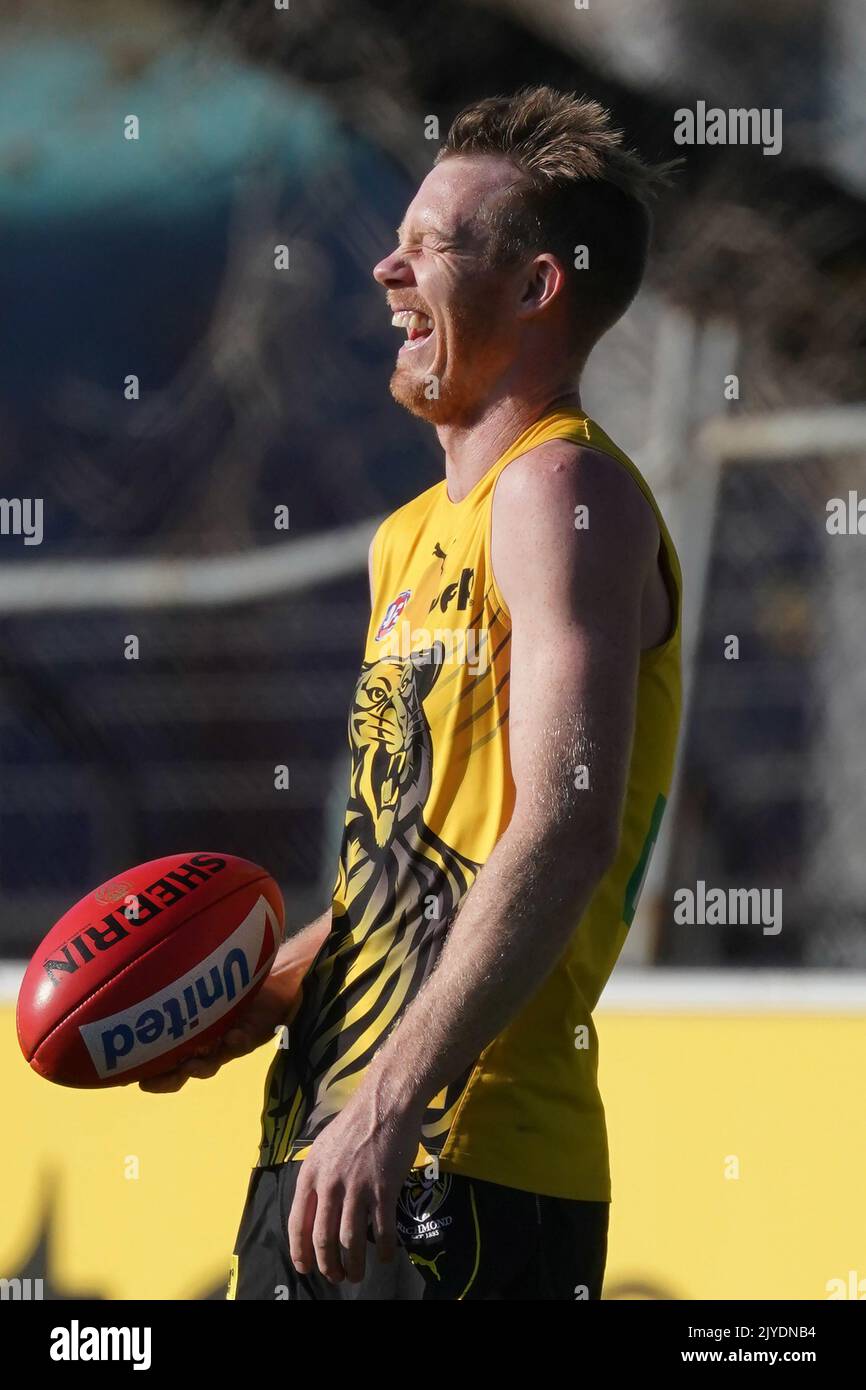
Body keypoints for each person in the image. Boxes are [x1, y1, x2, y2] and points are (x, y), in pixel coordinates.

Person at [144, 85, 682, 1301]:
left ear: (538, 286)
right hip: (328, 1149)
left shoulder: (561, 497)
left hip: (460, 1155)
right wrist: (255, 996)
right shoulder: (408, 539)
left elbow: (560, 825)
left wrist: (393, 1095)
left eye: (432, 245)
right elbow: (417, 864)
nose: (387, 267)